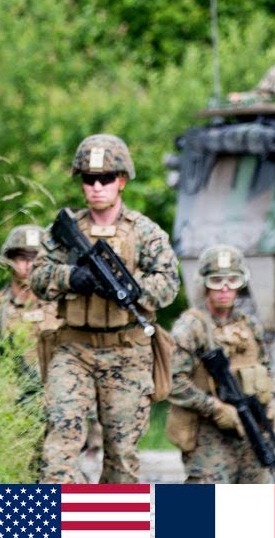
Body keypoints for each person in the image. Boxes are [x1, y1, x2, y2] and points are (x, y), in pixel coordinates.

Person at [29, 134, 180, 483]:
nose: (97, 186)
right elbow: (37, 275)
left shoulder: (145, 232)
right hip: (73, 348)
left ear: (122, 181)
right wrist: (72, 277)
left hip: (127, 351)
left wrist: (131, 288)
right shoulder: (65, 231)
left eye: (106, 178)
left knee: (122, 456)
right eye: (88, 179)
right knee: (59, 445)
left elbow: (170, 284)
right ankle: (63, 529)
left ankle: (112, 535)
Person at [167, 244, 275, 484]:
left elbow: (266, 367)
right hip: (208, 434)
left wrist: (272, 401)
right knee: (203, 510)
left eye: (232, 281)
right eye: (216, 281)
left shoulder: (250, 326)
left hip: (249, 428)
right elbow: (172, 381)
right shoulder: (191, 327)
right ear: (205, 283)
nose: (225, 288)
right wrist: (213, 407)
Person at [0, 225, 62, 386]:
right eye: (22, 258)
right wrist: (0, 388)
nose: (29, 264)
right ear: (9, 261)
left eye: (35, 258)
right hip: (10, 398)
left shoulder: (62, 305)